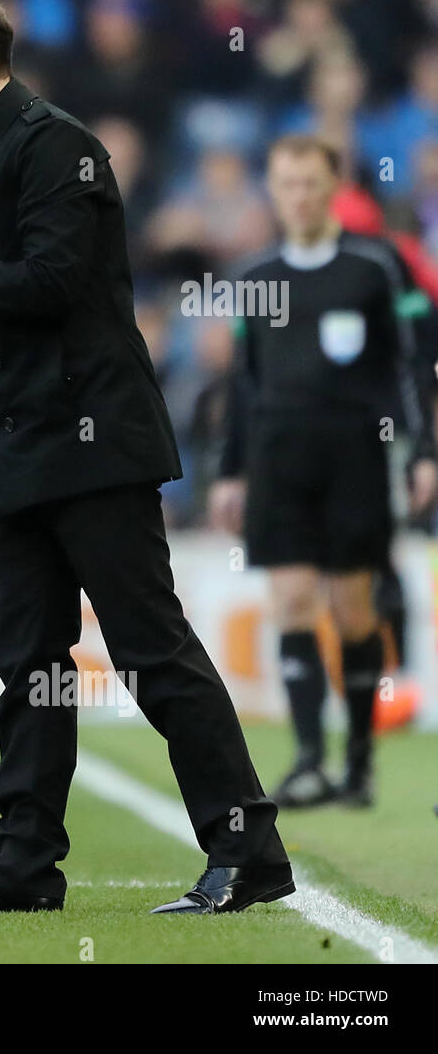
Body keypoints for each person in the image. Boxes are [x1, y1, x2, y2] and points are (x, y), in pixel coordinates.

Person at [0, 0, 293, 914]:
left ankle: (249, 852)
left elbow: (49, 284)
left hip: (92, 444)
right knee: (30, 672)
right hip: (18, 450)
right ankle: (23, 868)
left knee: (149, 651)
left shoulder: (60, 148)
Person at [210, 136, 438, 809]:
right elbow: (244, 384)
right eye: (287, 185)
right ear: (273, 191)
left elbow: (408, 369)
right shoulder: (254, 277)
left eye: (311, 184)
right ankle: (309, 759)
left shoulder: (375, 266)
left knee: (354, 609)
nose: (299, 197)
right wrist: (230, 471)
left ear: (334, 187)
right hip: (279, 459)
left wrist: (422, 452)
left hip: (357, 456)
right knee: (291, 602)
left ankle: (359, 762)